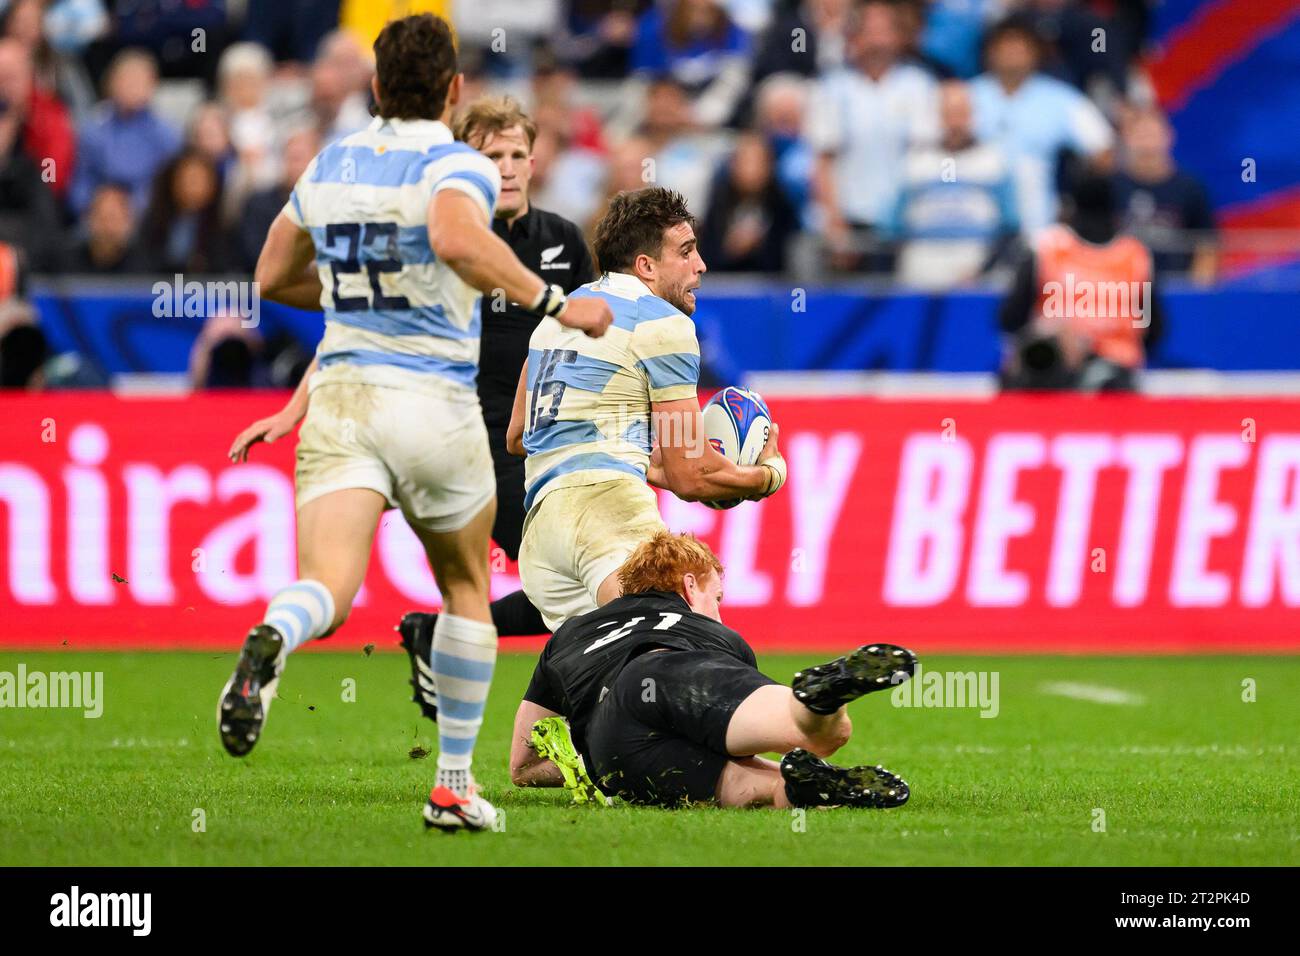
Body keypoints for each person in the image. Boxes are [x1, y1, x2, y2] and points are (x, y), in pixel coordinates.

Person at [216, 13, 612, 832]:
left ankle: (272, 637)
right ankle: (453, 787)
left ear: (372, 87)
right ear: (453, 90)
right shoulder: (452, 164)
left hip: (345, 402)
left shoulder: (332, 160)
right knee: (467, 588)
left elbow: (270, 274)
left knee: (327, 586)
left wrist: (362, 300)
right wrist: (550, 301)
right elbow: (454, 238)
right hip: (434, 402)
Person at [396, 95, 598, 725]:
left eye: (516, 155)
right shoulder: (449, 244)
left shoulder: (563, 240)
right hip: (476, 441)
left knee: (577, 590)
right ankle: (595, 717)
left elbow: (593, 334)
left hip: (549, 442)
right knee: (583, 589)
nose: (507, 168)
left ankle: (437, 633)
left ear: (534, 162)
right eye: (492, 156)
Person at [506, 185, 787, 633]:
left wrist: (629, 450)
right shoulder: (663, 321)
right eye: (687, 252)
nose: (701, 265)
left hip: (541, 534)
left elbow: (519, 435)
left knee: (602, 680)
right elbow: (691, 475)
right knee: (687, 643)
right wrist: (767, 475)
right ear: (646, 266)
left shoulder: (561, 314)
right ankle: (808, 704)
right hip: (606, 514)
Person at [510, 531, 916, 809]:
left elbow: (522, 767)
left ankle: (801, 786)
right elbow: (738, 741)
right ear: (690, 586)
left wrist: (585, 763)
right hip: (673, 669)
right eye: (716, 596)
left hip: (611, 746)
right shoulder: (712, 633)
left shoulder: (570, 634)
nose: (719, 610)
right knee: (819, 734)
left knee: (754, 788)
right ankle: (820, 697)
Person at [999, 174, 1162, 392]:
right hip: (1061, 361)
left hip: (1104, 372)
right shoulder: (1136, 255)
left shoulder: (1046, 247)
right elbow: (1154, 329)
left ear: (1069, 205)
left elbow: (1010, 318)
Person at [970, 16, 1114, 234]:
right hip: (974, 225)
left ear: (1035, 53)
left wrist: (1077, 199)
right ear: (990, 52)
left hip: (1039, 225)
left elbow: (1103, 150)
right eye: (1005, 46)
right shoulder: (967, 95)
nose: (1012, 53)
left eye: (1020, 46)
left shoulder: (1061, 98)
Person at [1112, 105, 1216, 282]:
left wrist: (1196, 292)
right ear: (1125, 139)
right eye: (1139, 135)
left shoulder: (1189, 187)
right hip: (1120, 290)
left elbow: (1206, 246)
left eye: (1152, 134)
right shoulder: (1111, 186)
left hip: (1175, 287)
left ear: (1168, 136)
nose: (1146, 143)